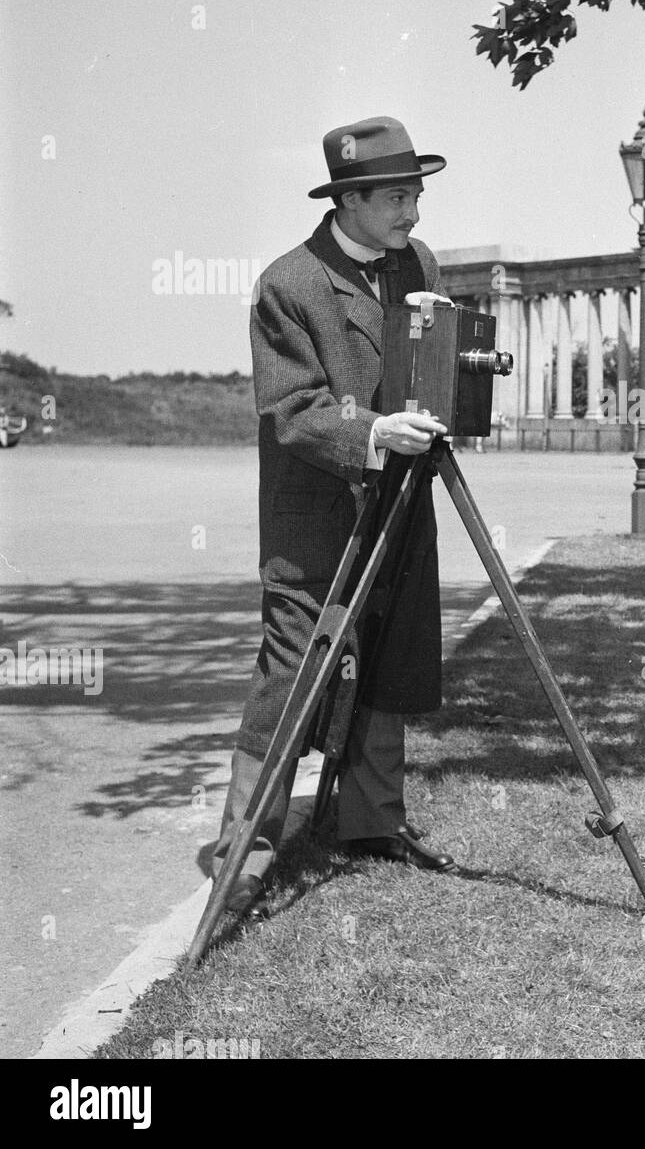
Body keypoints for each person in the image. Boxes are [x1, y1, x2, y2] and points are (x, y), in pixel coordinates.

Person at [213, 116, 460, 924]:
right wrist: (372, 433)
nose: (414, 211)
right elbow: (290, 409)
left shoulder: (416, 263)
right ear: (349, 199)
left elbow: (427, 361)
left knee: (390, 653)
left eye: (417, 192)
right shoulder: (290, 284)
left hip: (401, 502)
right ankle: (242, 859)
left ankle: (372, 822)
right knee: (290, 679)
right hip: (315, 517)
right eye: (397, 195)